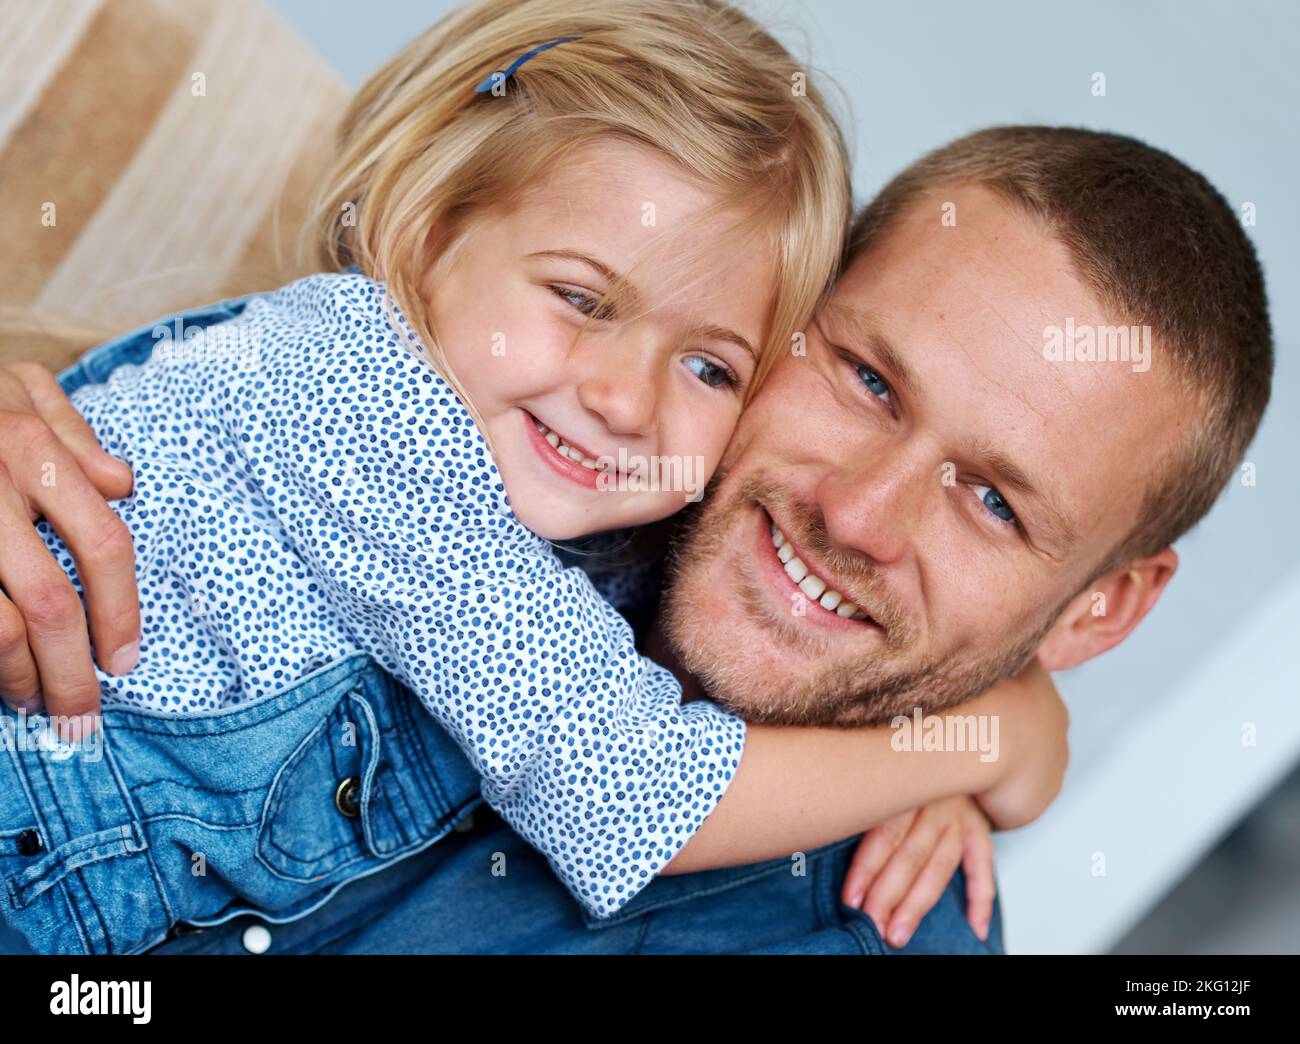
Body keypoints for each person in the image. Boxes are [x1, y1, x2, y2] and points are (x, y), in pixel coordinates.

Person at [0, 130, 1271, 958]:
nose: (855, 515)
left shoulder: (870, 931)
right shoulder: (534, 432)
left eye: (992, 502)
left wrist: (983, 732)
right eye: (868, 379)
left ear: (1097, 614)